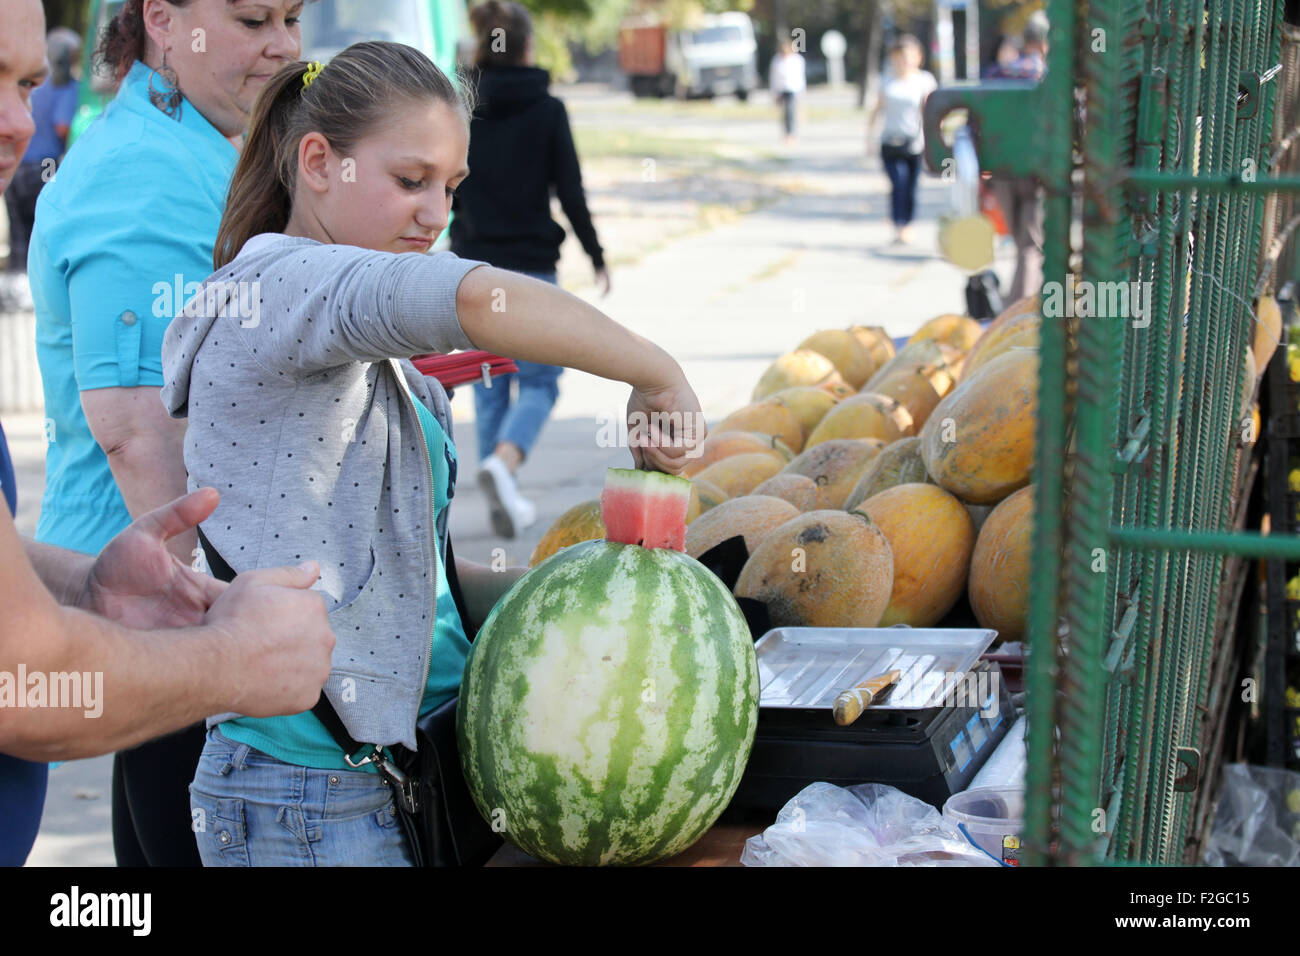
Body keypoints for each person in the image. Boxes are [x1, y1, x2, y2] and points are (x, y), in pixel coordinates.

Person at [161, 42, 704, 866]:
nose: (434, 213)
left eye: (451, 187)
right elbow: (478, 299)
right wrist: (655, 372)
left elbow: (408, 570)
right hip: (305, 798)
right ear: (319, 163)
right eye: (410, 180)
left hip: (386, 775)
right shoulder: (283, 285)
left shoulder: (349, 327)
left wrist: (587, 599)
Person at [0, 0, 335, 869]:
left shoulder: (189, 145)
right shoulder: (143, 170)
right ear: (161, 20)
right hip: (172, 639)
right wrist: (229, 637)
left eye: (294, 16)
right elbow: (139, 431)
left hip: (141, 620)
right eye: (253, 17)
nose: (285, 45)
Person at [450, 0, 610, 539]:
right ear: (526, 46)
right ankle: (506, 464)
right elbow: (570, 191)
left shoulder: (461, 109)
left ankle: (501, 477)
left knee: (491, 379)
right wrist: (596, 253)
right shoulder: (547, 109)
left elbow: (449, 184)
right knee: (541, 381)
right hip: (532, 270)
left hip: (473, 269)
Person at [1, 28, 79, 313]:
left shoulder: (31, 84)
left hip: (17, 164)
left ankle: (14, 289)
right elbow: (62, 126)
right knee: (42, 230)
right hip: (46, 167)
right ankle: (39, 290)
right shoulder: (66, 87)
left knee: (18, 230)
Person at [985, 11, 1048, 301]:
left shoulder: (997, 72)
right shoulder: (1048, 76)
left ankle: (1018, 302)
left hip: (1002, 167)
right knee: (1031, 244)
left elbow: (980, 120)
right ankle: (1020, 309)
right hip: (1038, 169)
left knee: (1020, 240)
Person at [870, 34, 937, 245]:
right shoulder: (887, 81)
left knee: (911, 187)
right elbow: (877, 109)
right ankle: (899, 224)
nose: (904, 61)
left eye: (909, 56)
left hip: (915, 144)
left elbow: (933, 112)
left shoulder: (925, 81)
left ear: (918, 57)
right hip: (890, 142)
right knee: (898, 183)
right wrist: (868, 137)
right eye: (900, 56)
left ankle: (908, 224)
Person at [769, 38, 806, 145]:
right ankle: (786, 133)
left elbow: (800, 77)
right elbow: (774, 78)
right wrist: (774, 93)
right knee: (784, 113)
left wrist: (802, 92)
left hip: (793, 89)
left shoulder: (797, 60)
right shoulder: (777, 60)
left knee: (791, 112)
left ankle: (792, 133)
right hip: (781, 89)